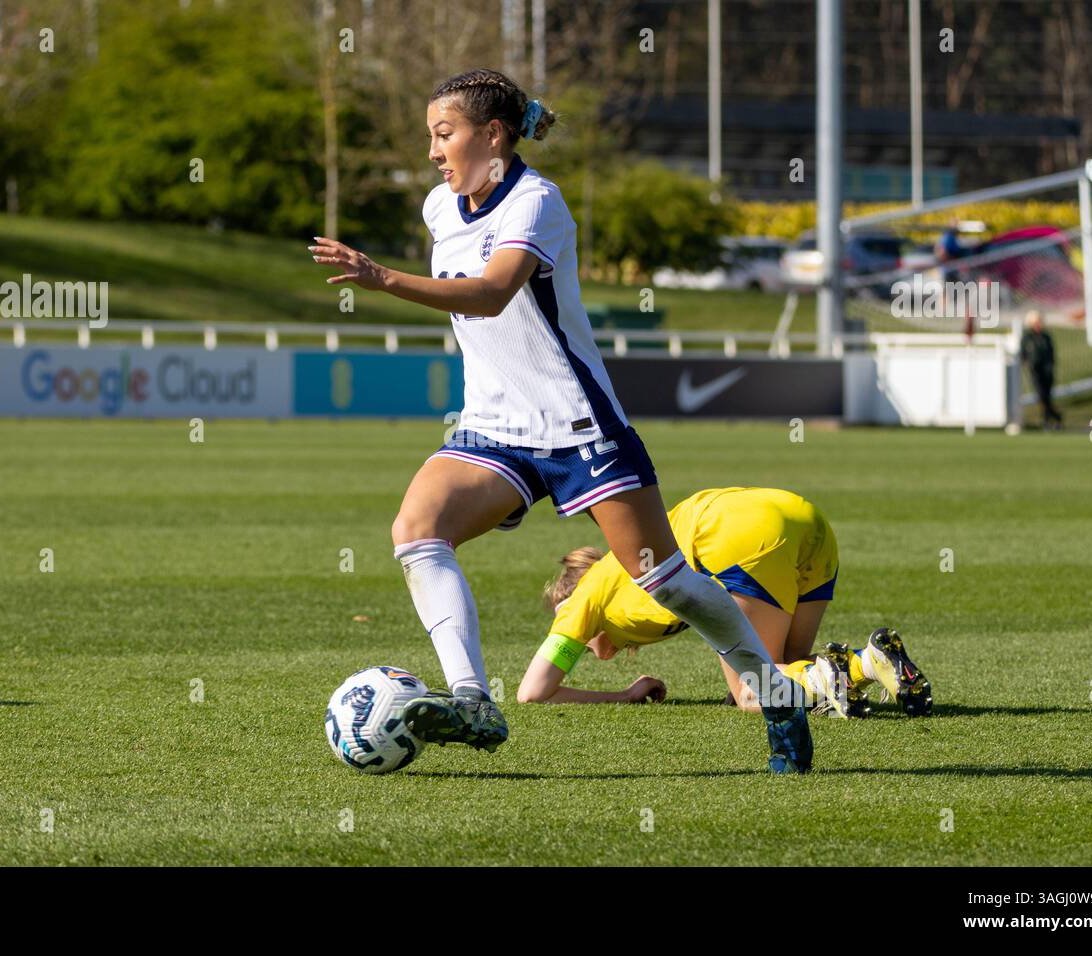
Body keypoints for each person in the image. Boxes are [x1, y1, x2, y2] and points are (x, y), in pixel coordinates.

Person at [308, 70, 813, 773]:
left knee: (665, 582)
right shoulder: (439, 207)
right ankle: (473, 702)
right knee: (416, 531)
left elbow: (490, 294)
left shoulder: (537, 202)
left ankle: (775, 696)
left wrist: (381, 278)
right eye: (430, 136)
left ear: (492, 136)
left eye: (443, 134)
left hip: (579, 429)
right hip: (493, 430)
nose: (432, 151)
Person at [516, 487, 932, 719]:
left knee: (757, 693)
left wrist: (624, 697)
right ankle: (871, 666)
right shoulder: (618, 573)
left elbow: (532, 693)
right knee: (788, 668)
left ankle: (864, 661)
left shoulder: (579, 603)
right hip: (803, 516)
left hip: (738, 533)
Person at [1021, 310, 1061, 429]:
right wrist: (1027, 363)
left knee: (1047, 396)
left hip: (1046, 371)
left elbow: (1051, 353)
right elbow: (1023, 353)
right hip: (1035, 371)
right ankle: (1054, 417)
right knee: (1041, 396)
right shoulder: (1027, 337)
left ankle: (1048, 420)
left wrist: (1050, 366)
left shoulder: (1046, 336)